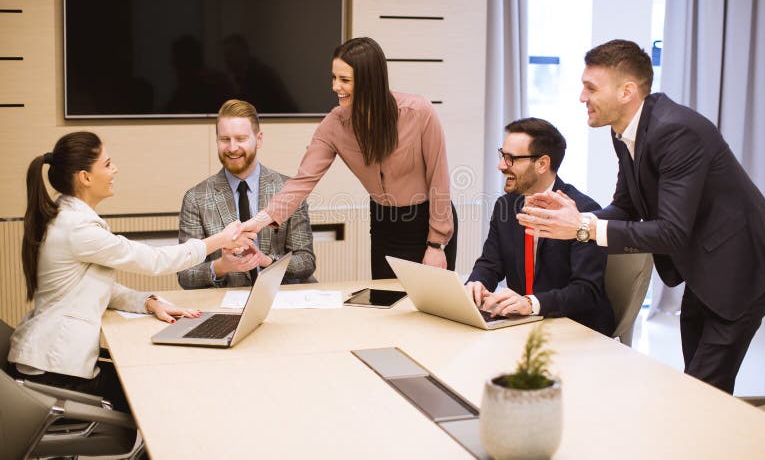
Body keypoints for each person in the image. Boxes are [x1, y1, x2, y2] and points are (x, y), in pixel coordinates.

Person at [519, 39, 765, 393]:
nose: (581, 97)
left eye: (590, 87)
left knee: (704, 389)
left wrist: (583, 228)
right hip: (702, 266)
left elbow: (671, 232)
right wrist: (574, 217)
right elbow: (627, 207)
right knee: (700, 384)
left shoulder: (677, 132)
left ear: (627, 91)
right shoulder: (623, 134)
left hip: (742, 266)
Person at [7, 132, 254, 411]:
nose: (115, 170)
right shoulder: (78, 229)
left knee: (150, 379)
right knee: (151, 392)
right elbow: (154, 261)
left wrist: (148, 303)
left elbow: (94, 286)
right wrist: (221, 239)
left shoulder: (68, 219)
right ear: (85, 177)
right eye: (107, 164)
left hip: (47, 361)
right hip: (53, 372)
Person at [242, 37, 458, 279]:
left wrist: (436, 244)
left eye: (345, 80)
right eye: (334, 78)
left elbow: (439, 179)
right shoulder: (334, 124)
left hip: (427, 222)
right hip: (384, 222)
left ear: (369, 82)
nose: (335, 86)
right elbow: (302, 181)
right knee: (387, 306)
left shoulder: (418, 113)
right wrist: (259, 221)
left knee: (430, 309)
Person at [466, 118, 614, 335]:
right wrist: (476, 284)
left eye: (511, 159)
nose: (501, 166)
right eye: (502, 155)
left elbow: (586, 291)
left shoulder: (582, 212)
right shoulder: (506, 206)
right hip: (522, 325)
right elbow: (490, 264)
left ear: (542, 164)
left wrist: (532, 303)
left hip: (574, 327)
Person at [178, 99, 317, 288]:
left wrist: (264, 261)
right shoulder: (195, 198)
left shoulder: (288, 190)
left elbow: (306, 261)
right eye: (225, 139)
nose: (232, 148)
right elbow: (185, 275)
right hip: (225, 304)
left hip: (280, 298)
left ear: (259, 140)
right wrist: (221, 266)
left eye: (241, 139)